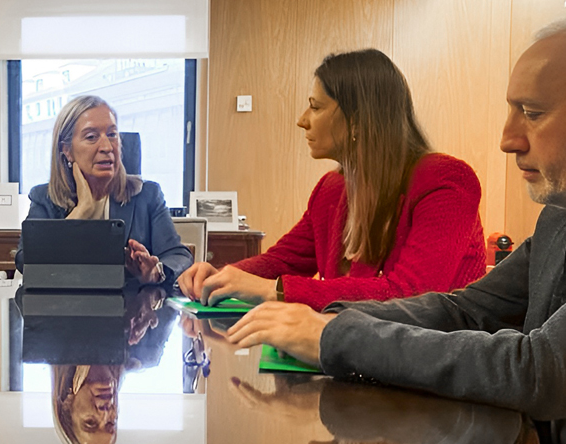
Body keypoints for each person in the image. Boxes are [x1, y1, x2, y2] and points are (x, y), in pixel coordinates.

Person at [224, 12, 566, 444]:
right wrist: (329, 319)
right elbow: (467, 309)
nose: (507, 138)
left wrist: (337, 339)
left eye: (531, 113)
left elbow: (546, 369)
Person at [178, 48, 485, 310]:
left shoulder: (447, 182)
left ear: (357, 120)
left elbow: (411, 296)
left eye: (315, 107)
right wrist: (220, 276)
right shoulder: (331, 189)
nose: (302, 120)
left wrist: (274, 292)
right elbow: (280, 262)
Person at [15, 95, 193, 285]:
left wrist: (156, 272)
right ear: (67, 149)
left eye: (112, 135)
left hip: (130, 309)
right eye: (91, 137)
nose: (107, 147)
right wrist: (80, 212)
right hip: (65, 309)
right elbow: (26, 261)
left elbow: (177, 255)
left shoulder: (147, 195)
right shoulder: (45, 198)